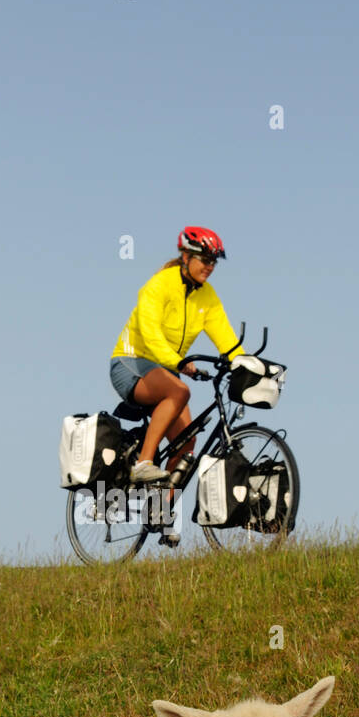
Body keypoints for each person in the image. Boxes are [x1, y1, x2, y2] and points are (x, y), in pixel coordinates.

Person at [110, 227, 245, 541]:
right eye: (204, 259)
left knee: (187, 442)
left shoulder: (207, 297)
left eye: (214, 261)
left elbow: (228, 340)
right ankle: (144, 461)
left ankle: (159, 511)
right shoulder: (159, 285)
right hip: (131, 362)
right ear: (186, 256)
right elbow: (150, 333)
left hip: (165, 369)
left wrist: (248, 364)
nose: (209, 266)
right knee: (180, 390)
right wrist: (179, 362)